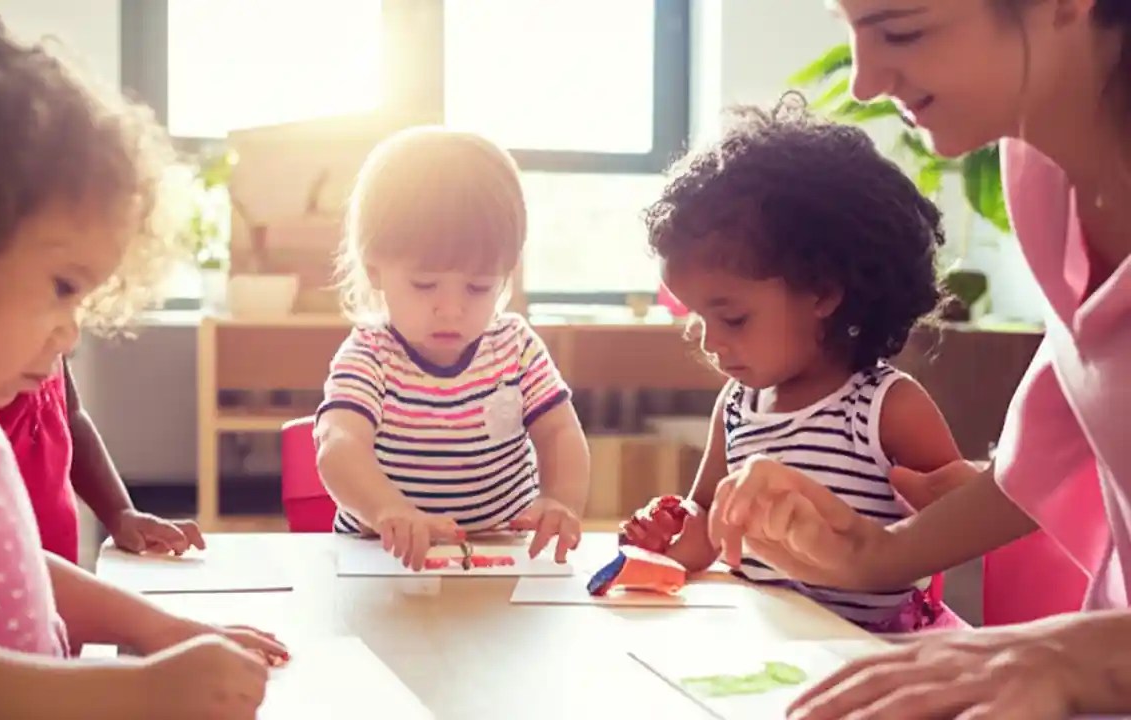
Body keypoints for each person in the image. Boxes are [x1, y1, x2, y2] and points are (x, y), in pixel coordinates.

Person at [701, 1, 1131, 718]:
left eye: (903, 30)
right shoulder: (1041, 170)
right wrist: (876, 551)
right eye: (852, 28)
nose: (865, 82)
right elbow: (1056, 444)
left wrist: (1080, 652)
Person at [0, 14, 285, 719]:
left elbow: (24, 568)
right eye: (63, 287)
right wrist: (143, 692)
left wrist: (162, 630)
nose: (72, 328)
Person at [620, 94, 964, 632]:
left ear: (822, 293)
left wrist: (948, 503)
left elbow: (960, 524)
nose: (710, 344)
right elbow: (707, 527)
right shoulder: (736, 408)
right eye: (697, 318)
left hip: (869, 654)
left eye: (732, 318)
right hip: (765, 643)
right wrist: (667, 533)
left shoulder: (884, 408)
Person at [313, 126, 591, 571]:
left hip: (504, 555)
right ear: (376, 270)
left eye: (479, 287)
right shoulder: (370, 356)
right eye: (424, 285)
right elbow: (339, 443)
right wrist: (389, 510)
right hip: (387, 560)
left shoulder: (516, 348)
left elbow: (559, 432)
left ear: (507, 274)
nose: (451, 309)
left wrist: (561, 500)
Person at [0, 357, 204, 564]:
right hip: (7, 576)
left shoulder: (45, 344)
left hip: (56, 566)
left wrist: (120, 513)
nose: (71, 338)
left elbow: (70, 416)